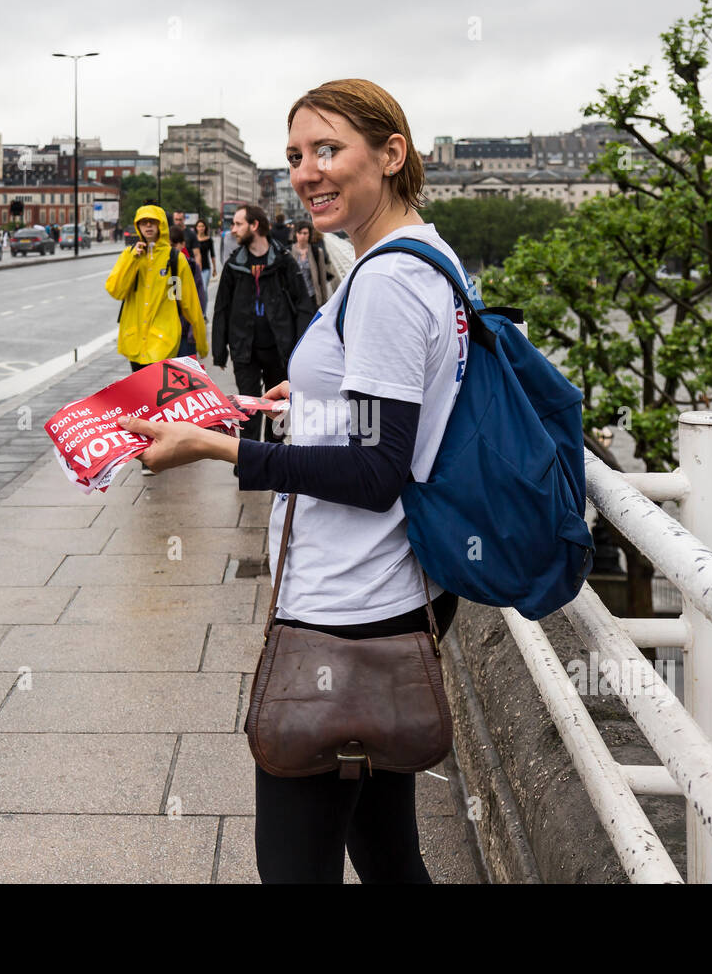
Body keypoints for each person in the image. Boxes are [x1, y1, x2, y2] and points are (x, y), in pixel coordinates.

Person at [114, 79, 466, 883]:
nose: (308, 172)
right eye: (297, 156)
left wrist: (214, 446)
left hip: (345, 611)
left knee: (296, 868)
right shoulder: (429, 255)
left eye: (330, 150)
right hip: (393, 597)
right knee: (387, 854)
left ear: (391, 154)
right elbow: (393, 416)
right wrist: (311, 402)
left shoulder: (383, 281)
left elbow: (376, 470)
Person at [105, 205, 209, 476]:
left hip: (162, 340)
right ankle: (150, 452)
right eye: (143, 223)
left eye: (153, 222)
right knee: (140, 400)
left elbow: (188, 302)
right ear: (138, 226)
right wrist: (132, 260)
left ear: (161, 225)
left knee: (156, 399)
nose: (148, 227)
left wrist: (201, 341)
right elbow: (115, 290)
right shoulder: (131, 255)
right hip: (134, 341)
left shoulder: (175, 259)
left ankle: (158, 449)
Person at [210, 203, 314, 449]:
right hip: (244, 345)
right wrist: (219, 350)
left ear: (254, 226)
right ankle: (249, 455)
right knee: (247, 402)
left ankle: (274, 449)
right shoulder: (235, 264)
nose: (233, 229)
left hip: (279, 346)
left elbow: (303, 305)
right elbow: (222, 307)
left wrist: (301, 345)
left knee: (278, 405)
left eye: (238, 224)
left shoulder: (283, 261)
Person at [172, 225, 208, 359]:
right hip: (165, 334)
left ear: (183, 245)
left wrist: (194, 332)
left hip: (186, 334)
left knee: (183, 377)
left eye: (175, 244)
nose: (172, 248)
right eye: (169, 244)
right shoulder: (162, 267)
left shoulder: (191, 266)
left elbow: (200, 301)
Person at [291, 220, 335, 307]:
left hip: (312, 296)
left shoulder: (317, 252)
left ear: (309, 234)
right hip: (296, 299)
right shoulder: (288, 252)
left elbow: (322, 277)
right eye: (300, 233)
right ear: (296, 234)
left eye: (305, 233)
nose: (302, 236)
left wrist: (324, 300)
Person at [193, 218, 215, 295]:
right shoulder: (193, 239)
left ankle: (203, 306)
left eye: (202, 226)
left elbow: (212, 255)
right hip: (194, 268)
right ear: (196, 228)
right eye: (199, 226)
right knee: (195, 290)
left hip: (206, 268)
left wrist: (214, 268)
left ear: (205, 227)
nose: (201, 228)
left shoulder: (209, 240)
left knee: (204, 289)